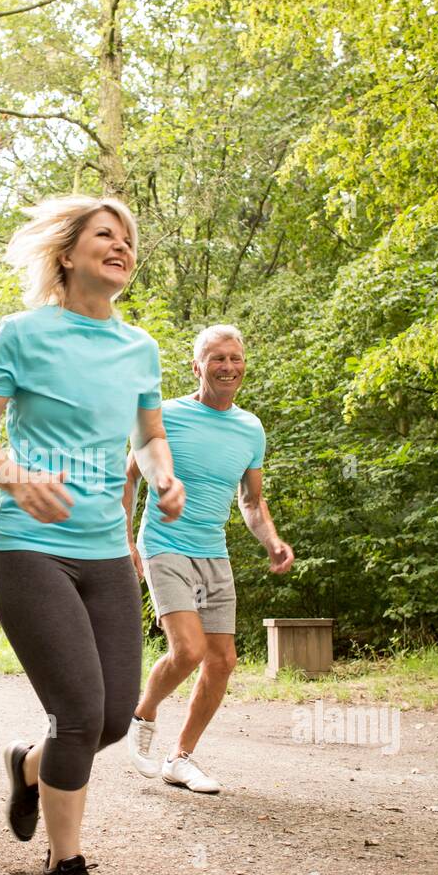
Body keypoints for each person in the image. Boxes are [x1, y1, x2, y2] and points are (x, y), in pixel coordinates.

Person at [0, 197, 184, 875]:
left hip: (106, 554)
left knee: (113, 717)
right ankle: (63, 869)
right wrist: (17, 477)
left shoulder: (140, 348)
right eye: (104, 235)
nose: (121, 246)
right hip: (26, 546)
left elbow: (148, 437)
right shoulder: (23, 334)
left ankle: (27, 766)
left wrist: (164, 473)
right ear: (67, 255)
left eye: (128, 239)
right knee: (80, 714)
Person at [123, 324, 294, 792]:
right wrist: (127, 539)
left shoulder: (250, 427)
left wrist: (272, 541)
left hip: (213, 551)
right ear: (197, 366)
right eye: (217, 358)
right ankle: (143, 713)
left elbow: (252, 501)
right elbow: (130, 475)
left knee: (222, 660)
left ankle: (181, 757)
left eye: (235, 358)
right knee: (189, 650)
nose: (228, 366)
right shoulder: (166, 416)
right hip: (165, 545)